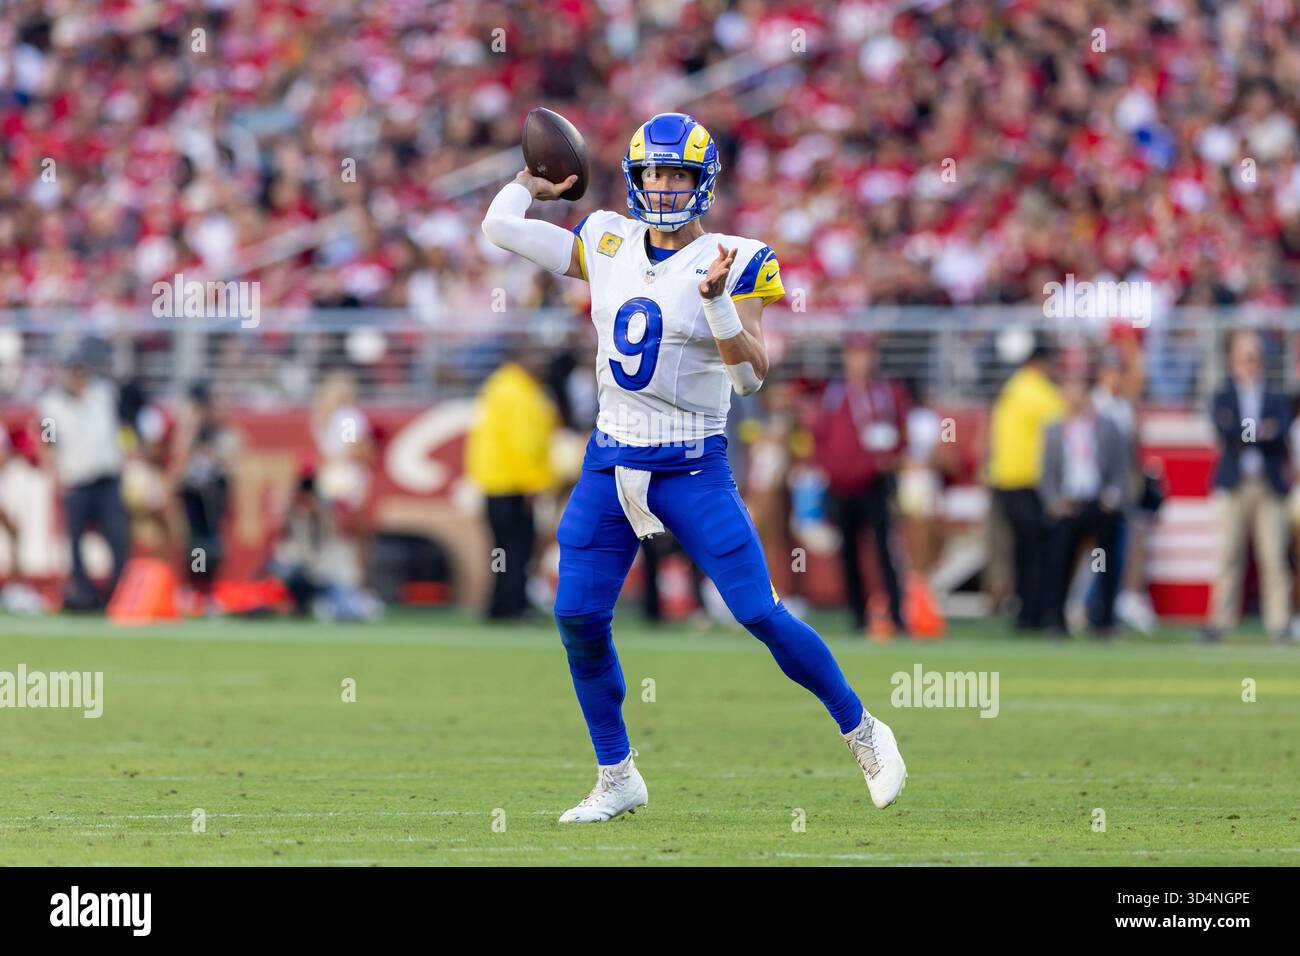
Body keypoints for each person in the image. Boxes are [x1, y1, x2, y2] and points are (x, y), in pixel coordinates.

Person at [481, 111, 906, 822]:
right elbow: (500, 226)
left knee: (757, 611)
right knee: (577, 615)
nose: (664, 186)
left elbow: (751, 380)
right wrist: (531, 179)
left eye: (678, 174)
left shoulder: (737, 257)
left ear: (703, 181)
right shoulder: (607, 238)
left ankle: (863, 729)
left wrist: (717, 306)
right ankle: (617, 774)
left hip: (690, 465)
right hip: (610, 461)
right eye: (653, 173)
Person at [811, 333, 910, 635]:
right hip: (840, 485)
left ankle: (896, 615)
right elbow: (819, 434)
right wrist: (827, 468)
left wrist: (892, 456)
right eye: (855, 355)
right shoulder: (834, 393)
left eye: (865, 354)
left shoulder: (887, 392)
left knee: (884, 550)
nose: (861, 361)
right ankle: (857, 615)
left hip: (875, 484)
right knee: (848, 552)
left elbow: (902, 431)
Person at [1204, 330, 1293, 644]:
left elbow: (1279, 432)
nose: (1250, 361)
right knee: (1229, 555)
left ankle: (1279, 625)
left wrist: (1247, 432)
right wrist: (1259, 432)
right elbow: (1225, 431)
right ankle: (1220, 623)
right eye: (1245, 355)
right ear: (1233, 359)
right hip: (1235, 484)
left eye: (1254, 355)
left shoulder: (1276, 396)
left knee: (1274, 557)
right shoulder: (1223, 394)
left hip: (1267, 485)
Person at [464, 350, 559, 620]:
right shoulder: (521, 392)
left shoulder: (497, 386)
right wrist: (532, 481)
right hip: (514, 482)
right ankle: (513, 603)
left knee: (500, 549)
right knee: (519, 548)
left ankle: (498, 603)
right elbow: (525, 441)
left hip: (495, 481)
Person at [37, 343, 131, 610]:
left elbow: (124, 428)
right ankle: (82, 594)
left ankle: (118, 592)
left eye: (81, 369)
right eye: (73, 370)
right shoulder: (51, 404)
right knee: (75, 541)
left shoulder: (104, 394)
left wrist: (128, 457)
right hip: (76, 481)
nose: (78, 375)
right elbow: (48, 443)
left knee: (117, 535)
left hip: (107, 478)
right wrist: (53, 476)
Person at [1039, 377, 1129, 637]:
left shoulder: (1106, 427)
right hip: (1069, 504)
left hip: (1098, 502)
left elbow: (1120, 467)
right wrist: (1055, 503)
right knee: (1060, 561)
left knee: (1103, 561)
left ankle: (1104, 618)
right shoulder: (1054, 429)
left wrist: (1113, 496)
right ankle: (1057, 619)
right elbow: (1046, 474)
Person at [987, 344, 1063, 631]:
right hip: (1030, 481)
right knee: (1039, 552)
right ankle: (1037, 612)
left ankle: (1025, 612)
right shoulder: (1042, 393)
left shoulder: (1011, 388)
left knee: (1020, 552)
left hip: (1004, 479)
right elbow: (1063, 429)